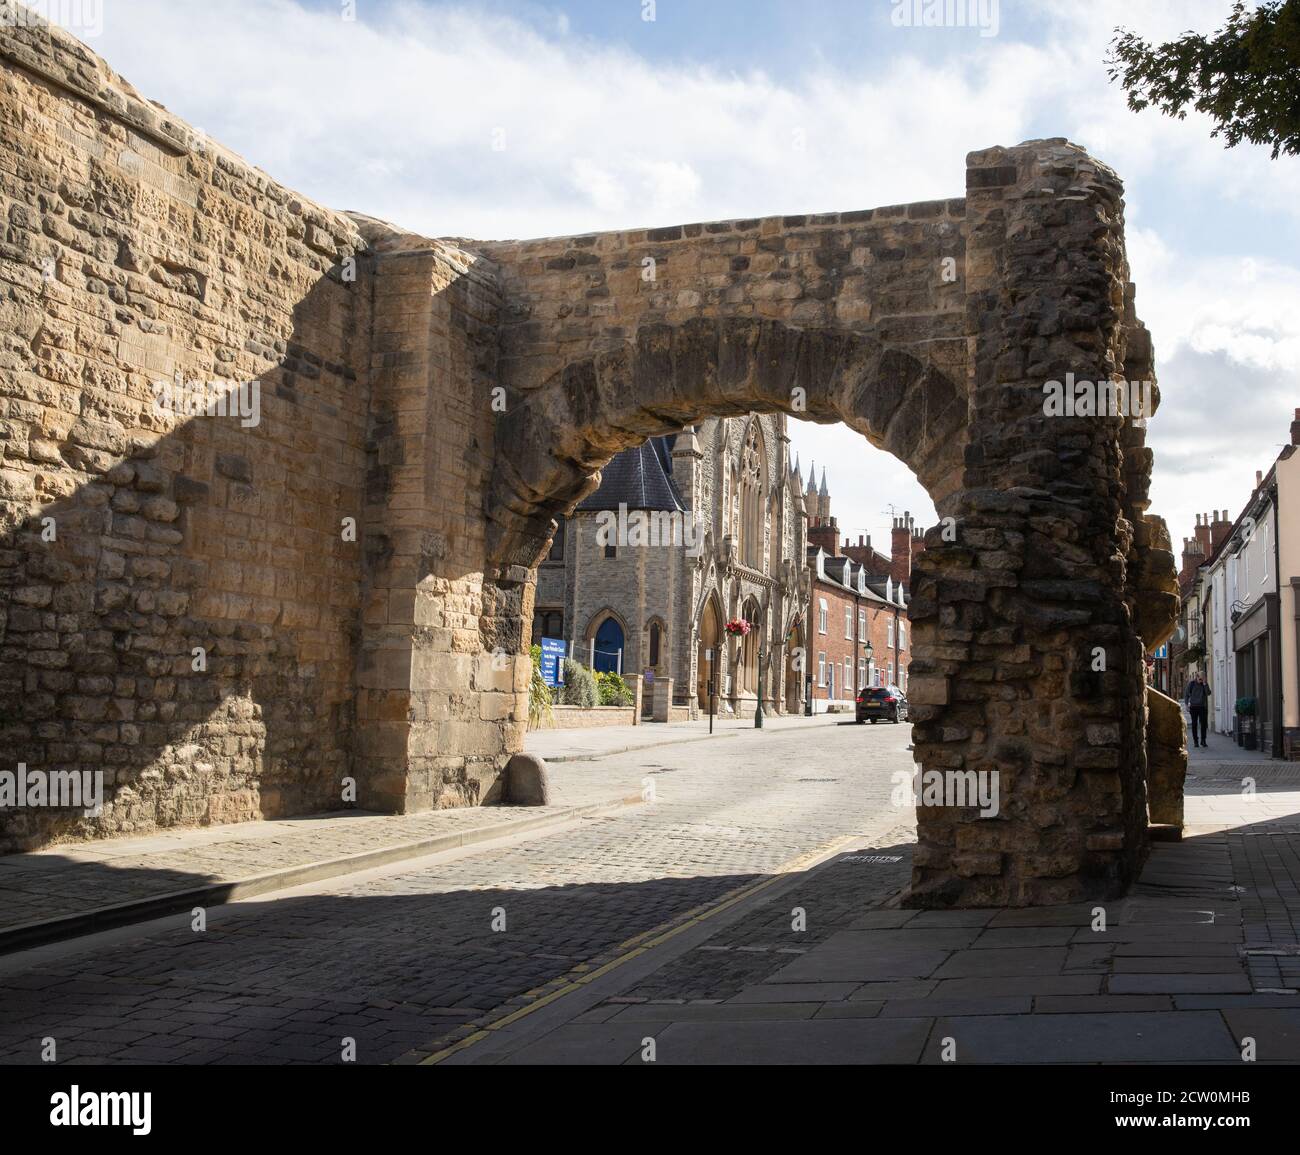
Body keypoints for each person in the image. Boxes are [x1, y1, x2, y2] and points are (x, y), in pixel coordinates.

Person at [1184, 673, 1210, 748]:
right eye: (1200, 679)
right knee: (1194, 724)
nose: (1201, 680)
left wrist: (1205, 684)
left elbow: (1208, 693)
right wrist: (1186, 704)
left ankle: (1203, 740)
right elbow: (1186, 694)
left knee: (1203, 724)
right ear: (1197, 677)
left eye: (1202, 679)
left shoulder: (1204, 684)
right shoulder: (1191, 684)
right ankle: (1196, 741)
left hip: (1202, 707)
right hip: (1193, 707)